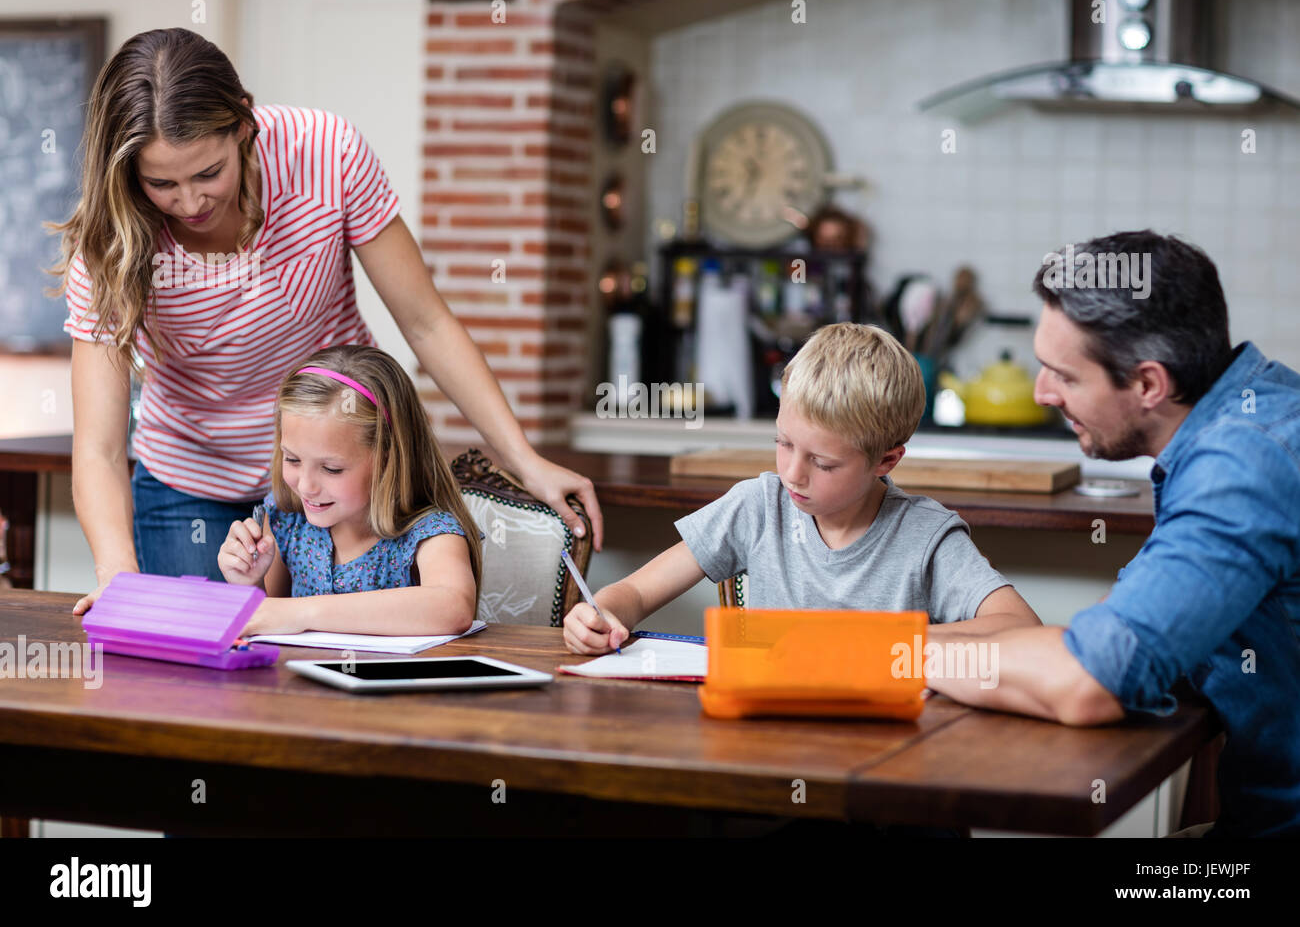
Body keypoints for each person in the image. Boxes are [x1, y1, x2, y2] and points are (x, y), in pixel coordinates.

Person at [51, 28, 600, 615]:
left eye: (208, 173)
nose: (189, 203)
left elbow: (426, 324)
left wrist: (525, 460)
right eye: (161, 183)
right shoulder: (108, 238)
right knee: (199, 682)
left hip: (341, 473)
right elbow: (101, 449)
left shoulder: (327, 153)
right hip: (191, 484)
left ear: (243, 123)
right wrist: (117, 576)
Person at [926, 230, 1300, 837]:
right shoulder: (1248, 414)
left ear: (1149, 384)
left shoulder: (1241, 468)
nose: (1043, 393)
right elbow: (1111, 632)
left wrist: (897, 654)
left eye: (1064, 376)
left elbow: (1088, 682)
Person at [564, 322, 1041, 655]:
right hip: (771, 735)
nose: (792, 473)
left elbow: (1020, 628)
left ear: (886, 460)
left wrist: (886, 641)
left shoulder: (924, 536)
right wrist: (600, 613)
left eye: (823, 462)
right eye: (784, 443)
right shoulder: (758, 506)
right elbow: (636, 592)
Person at [212, 345, 479, 637]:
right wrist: (249, 583)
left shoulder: (430, 532)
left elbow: (453, 606)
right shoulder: (286, 521)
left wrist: (301, 612)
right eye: (292, 459)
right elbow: (267, 621)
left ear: (389, 458)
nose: (305, 486)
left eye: (331, 469)